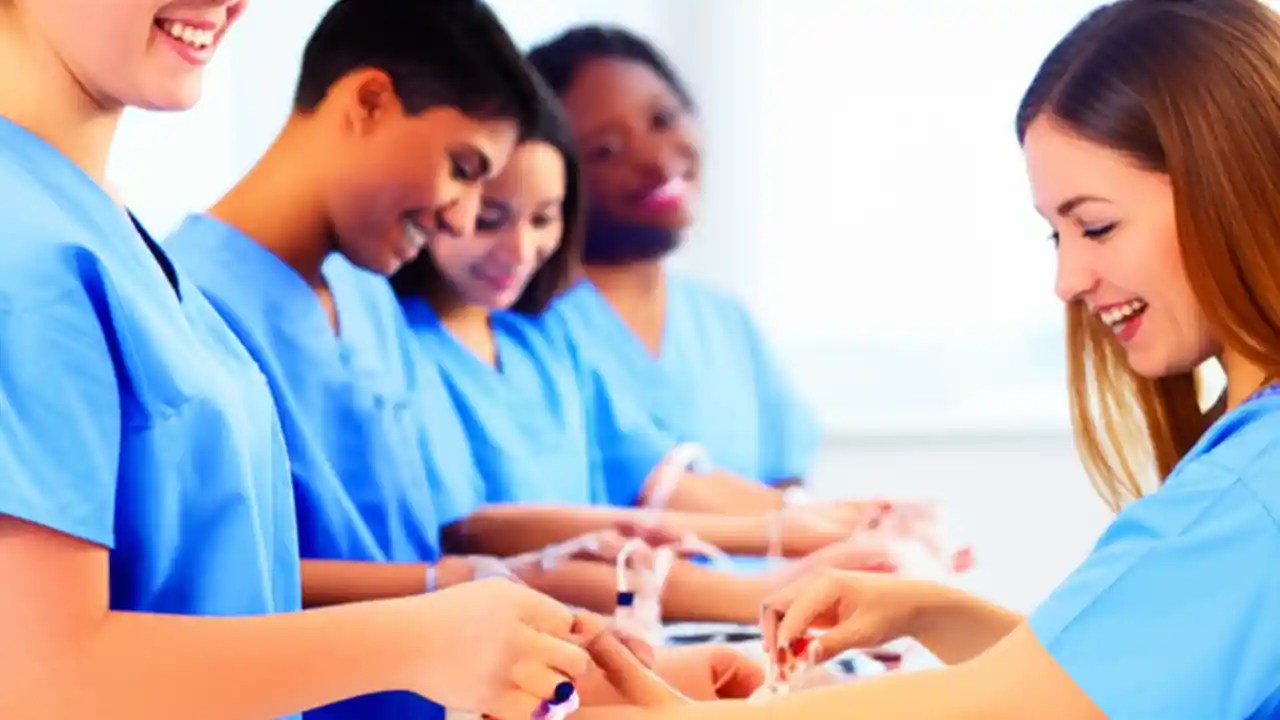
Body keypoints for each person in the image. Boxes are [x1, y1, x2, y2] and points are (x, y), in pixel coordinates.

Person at [603, 0, 1280, 717]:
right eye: (1057, 236)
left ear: (1229, 181)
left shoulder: (1253, 485)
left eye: (1096, 226)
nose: (1068, 281)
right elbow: (1118, 676)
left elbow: (1023, 709)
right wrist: (932, 613)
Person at [164, 0, 770, 713]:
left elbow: (430, 534)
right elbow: (213, 588)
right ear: (369, 103)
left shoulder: (366, 299)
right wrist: (451, 589)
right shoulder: (190, 303)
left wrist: (562, 614)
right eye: (463, 169)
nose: (457, 216)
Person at [0, 1, 592, 719]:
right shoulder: (23, 246)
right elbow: (37, 677)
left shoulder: (96, 226)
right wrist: (421, 631)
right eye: (462, 170)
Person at [526, 26, 821, 490]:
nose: (659, 162)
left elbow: (790, 492)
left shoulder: (726, 322)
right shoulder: (529, 331)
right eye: (606, 150)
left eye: (663, 120)